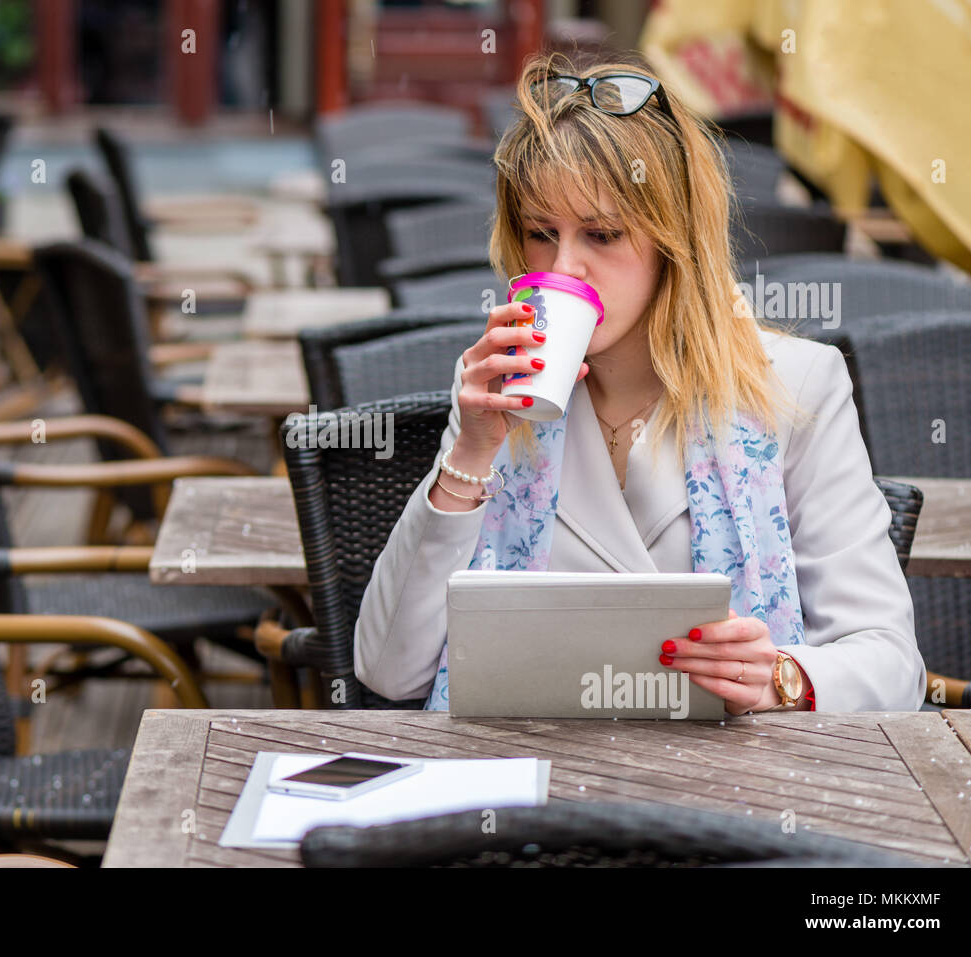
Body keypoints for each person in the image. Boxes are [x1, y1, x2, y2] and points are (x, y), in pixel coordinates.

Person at [353, 52, 925, 714]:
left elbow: (891, 665)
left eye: (601, 234)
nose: (567, 266)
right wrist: (469, 456)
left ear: (673, 244)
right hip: (530, 787)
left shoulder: (793, 385)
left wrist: (780, 677)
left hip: (732, 797)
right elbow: (387, 668)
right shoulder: (496, 389)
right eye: (542, 235)